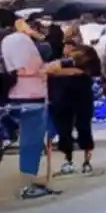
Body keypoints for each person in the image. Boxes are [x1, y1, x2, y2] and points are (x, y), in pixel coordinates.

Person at [2, 10, 76, 199]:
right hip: (29, 95)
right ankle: (29, 184)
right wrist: (54, 66)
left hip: (12, 96)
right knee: (31, 143)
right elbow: (30, 68)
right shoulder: (18, 40)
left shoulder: (7, 40)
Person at [50, 36, 101, 175]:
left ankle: (83, 161)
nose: (67, 49)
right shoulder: (62, 64)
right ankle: (72, 160)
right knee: (66, 131)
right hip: (64, 98)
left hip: (73, 97)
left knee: (81, 128)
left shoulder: (82, 60)